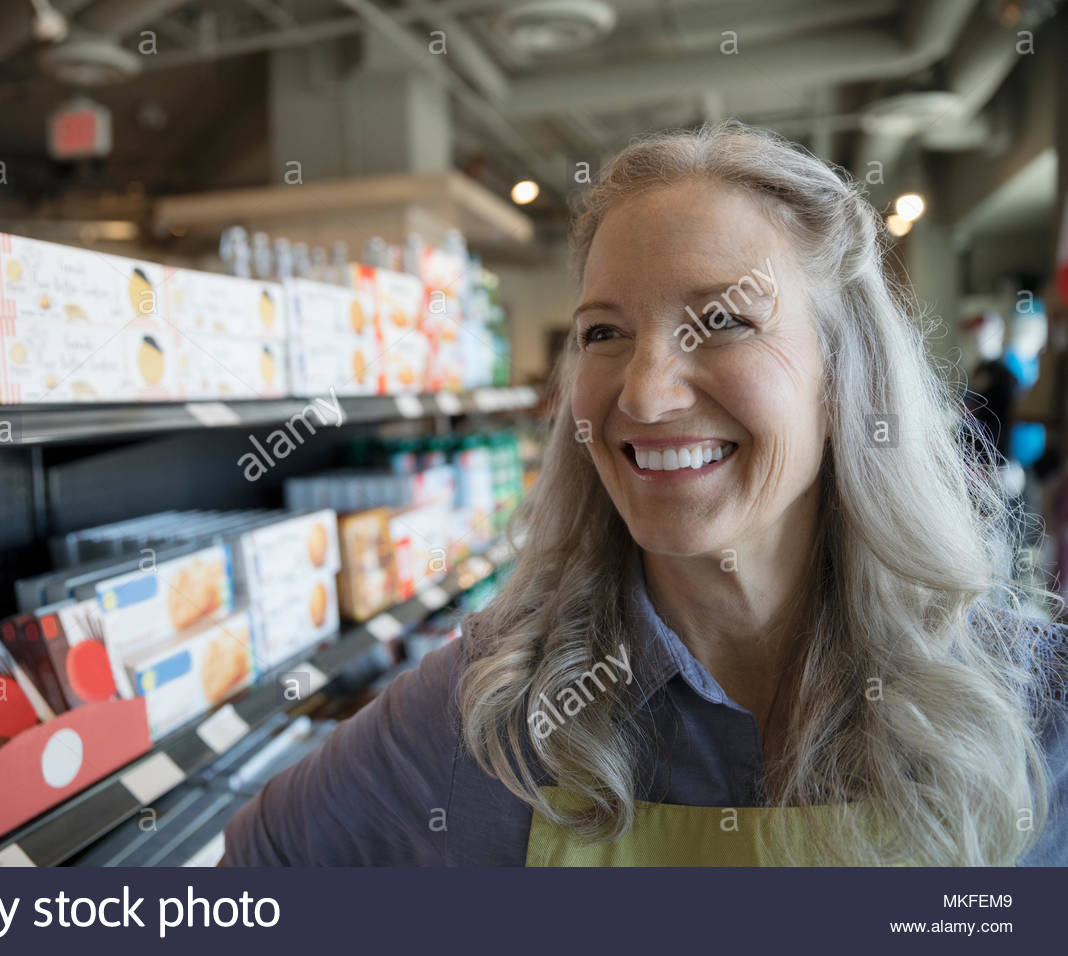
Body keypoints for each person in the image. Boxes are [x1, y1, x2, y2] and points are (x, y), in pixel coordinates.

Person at [223, 122, 1068, 866]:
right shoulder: (490, 709)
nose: (644, 395)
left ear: (843, 377)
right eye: (604, 333)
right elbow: (261, 870)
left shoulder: (1034, 707)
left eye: (725, 320)